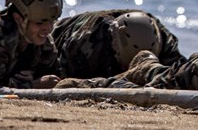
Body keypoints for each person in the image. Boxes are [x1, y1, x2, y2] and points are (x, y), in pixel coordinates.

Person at [51, 9, 185, 86]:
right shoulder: (85, 43)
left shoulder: (163, 39)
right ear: (115, 49)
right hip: (57, 35)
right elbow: (64, 82)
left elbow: (176, 75)